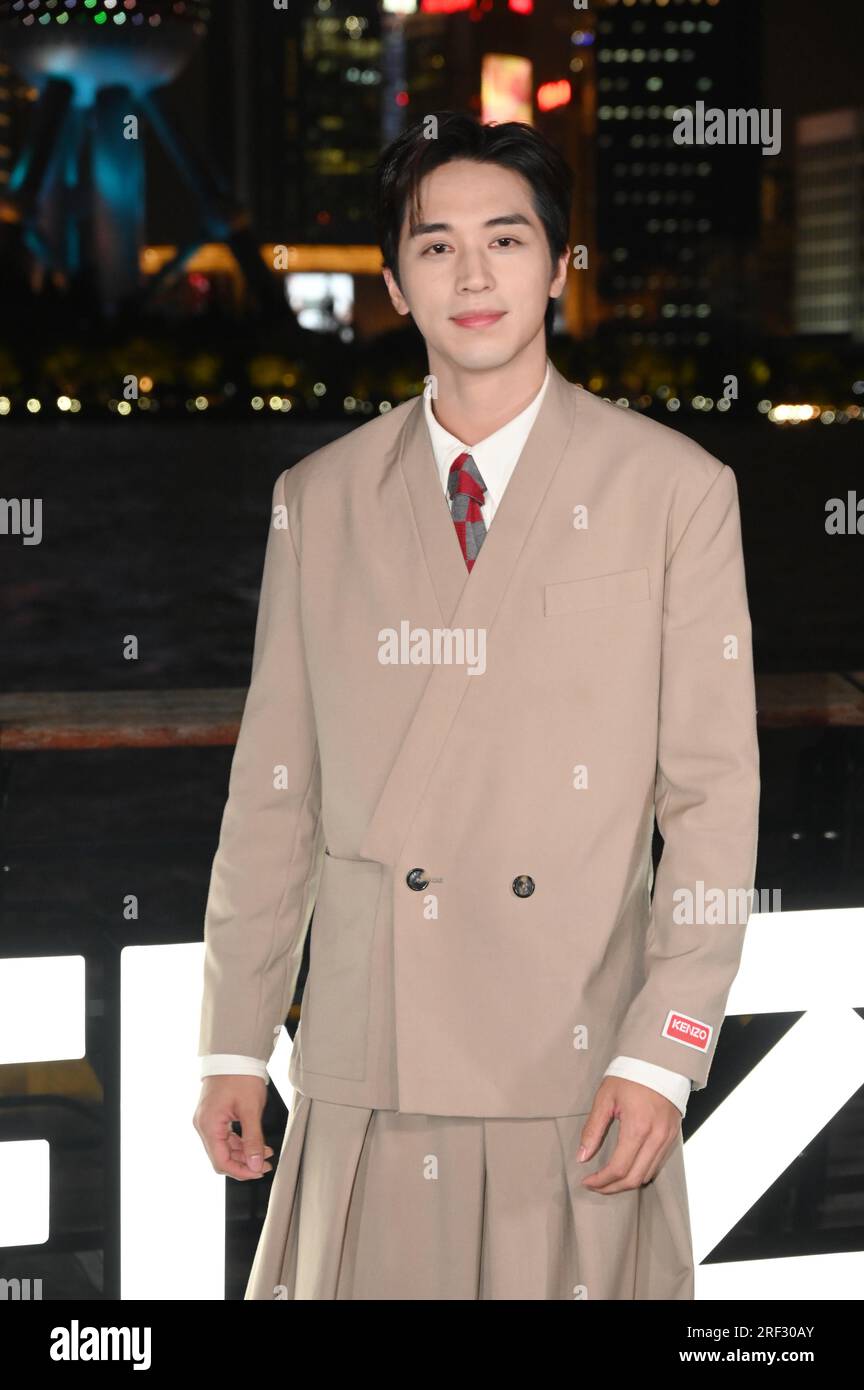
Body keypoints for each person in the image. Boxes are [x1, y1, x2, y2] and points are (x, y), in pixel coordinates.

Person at [193, 112, 760, 1300]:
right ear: (396, 284)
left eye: (505, 239)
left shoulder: (674, 490)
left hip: (576, 1052)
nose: (473, 273)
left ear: (557, 265)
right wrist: (237, 1038)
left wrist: (669, 1050)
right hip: (369, 1055)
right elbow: (274, 793)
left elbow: (711, 795)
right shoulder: (321, 495)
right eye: (436, 246)